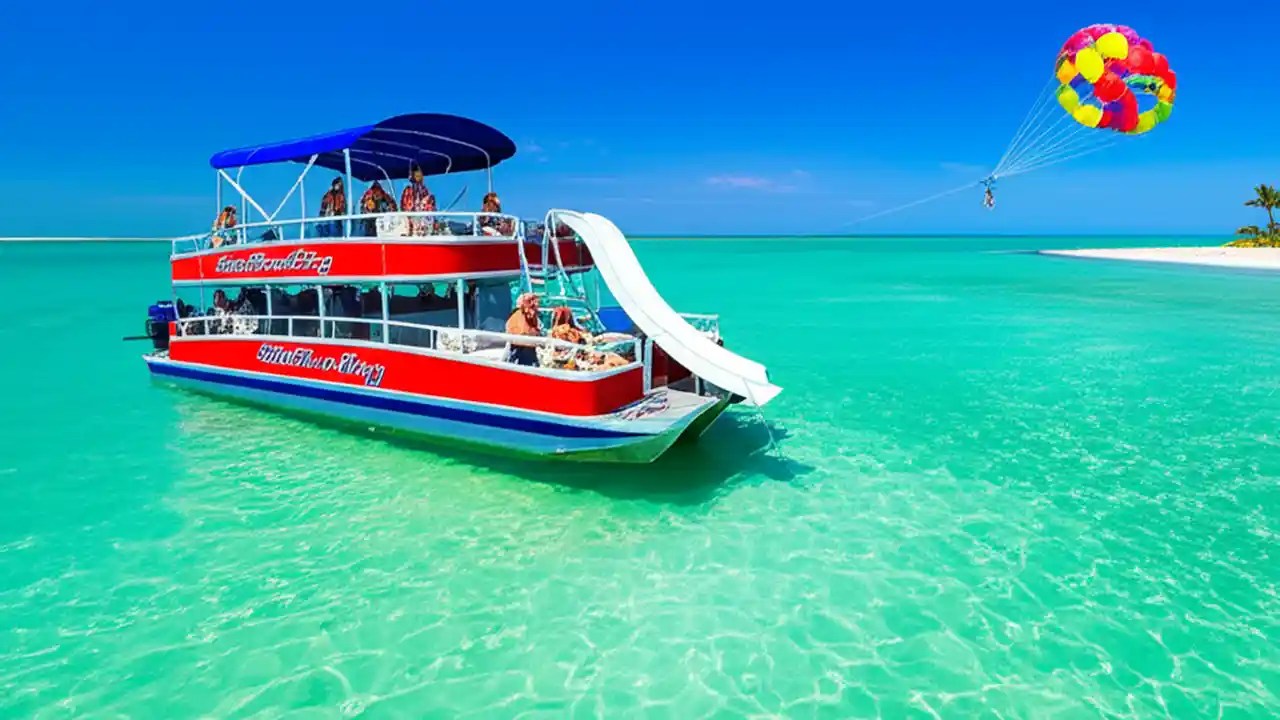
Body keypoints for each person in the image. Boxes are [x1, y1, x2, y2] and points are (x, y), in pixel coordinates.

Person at [504, 292, 542, 366]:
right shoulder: (517, 316)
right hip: (518, 351)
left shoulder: (534, 317)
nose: (537, 306)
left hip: (530, 352)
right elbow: (516, 333)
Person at [400, 163, 437, 236]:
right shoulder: (408, 190)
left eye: (420, 175)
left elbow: (429, 206)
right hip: (411, 219)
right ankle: (413, 230)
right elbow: (404, 207)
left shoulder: (424, 189)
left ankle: (422, 229)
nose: (420, 177)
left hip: (421, 220)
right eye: (417, 175)